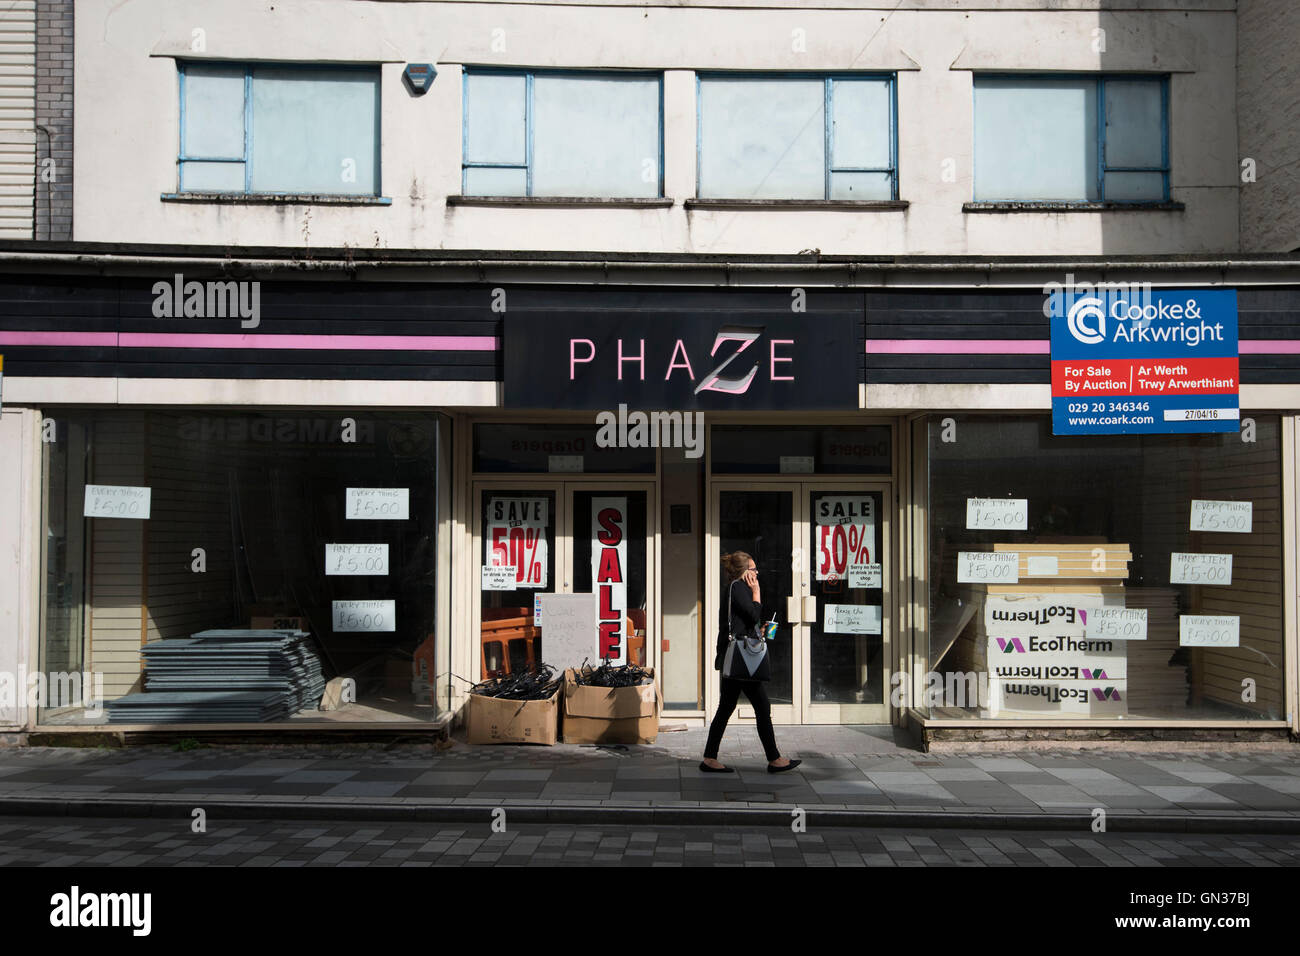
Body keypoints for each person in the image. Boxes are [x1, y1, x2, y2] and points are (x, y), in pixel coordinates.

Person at [699, 551, 801, 774]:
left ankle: (709, 758)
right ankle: (774, 759)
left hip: (737, 656)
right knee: (762, 707)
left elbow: (746, 621)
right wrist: (757, 592)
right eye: (753, 570)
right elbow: (753, 614)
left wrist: (759, 629)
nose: (757, 573)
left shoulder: (736, 589)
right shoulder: (738, 588)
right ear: (744, 572)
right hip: (741, 659)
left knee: (726, 707)